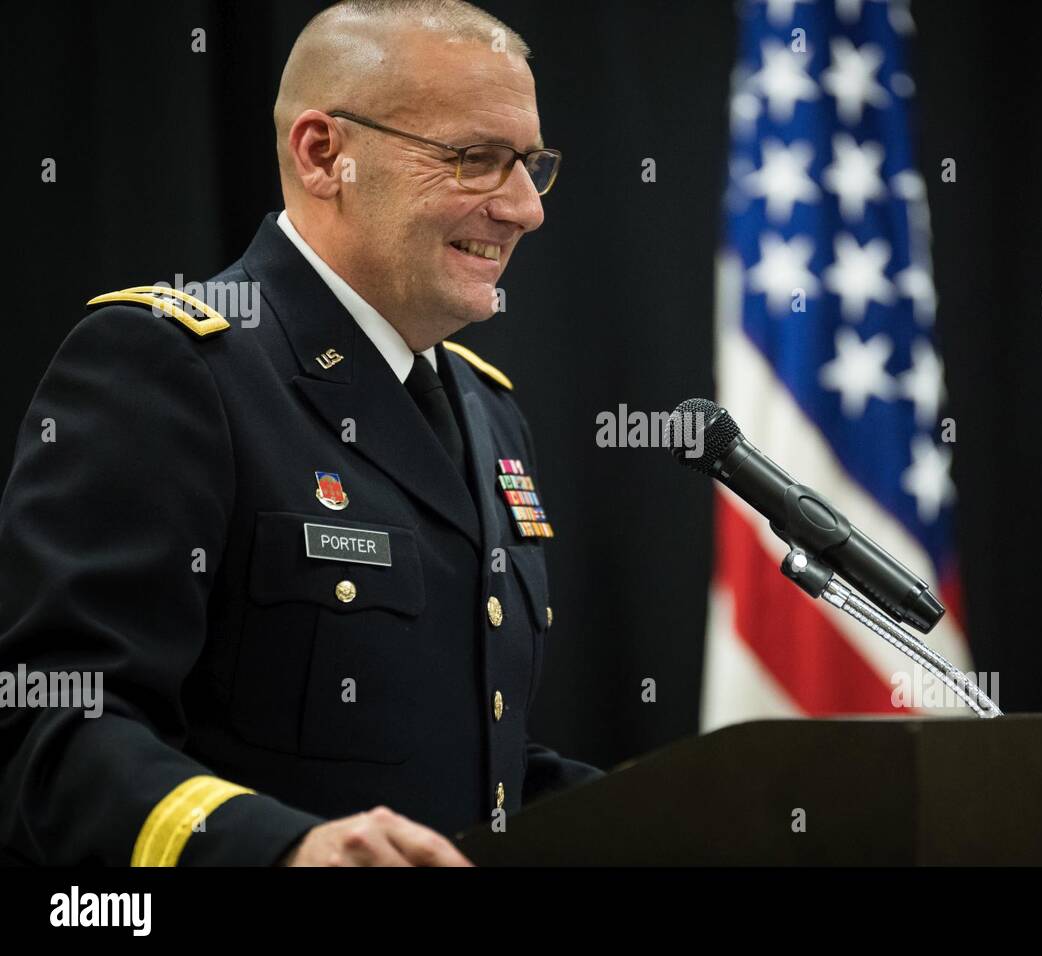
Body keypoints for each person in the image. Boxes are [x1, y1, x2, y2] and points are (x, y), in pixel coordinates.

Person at [0, 0, 600, 867]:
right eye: (475, 160)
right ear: (324, 155)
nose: (523, 208)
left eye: (530, 165)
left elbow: (465, 763)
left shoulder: (487, 408)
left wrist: (711, 811)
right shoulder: (171, 365)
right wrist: (284, 851)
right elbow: (50, 727)